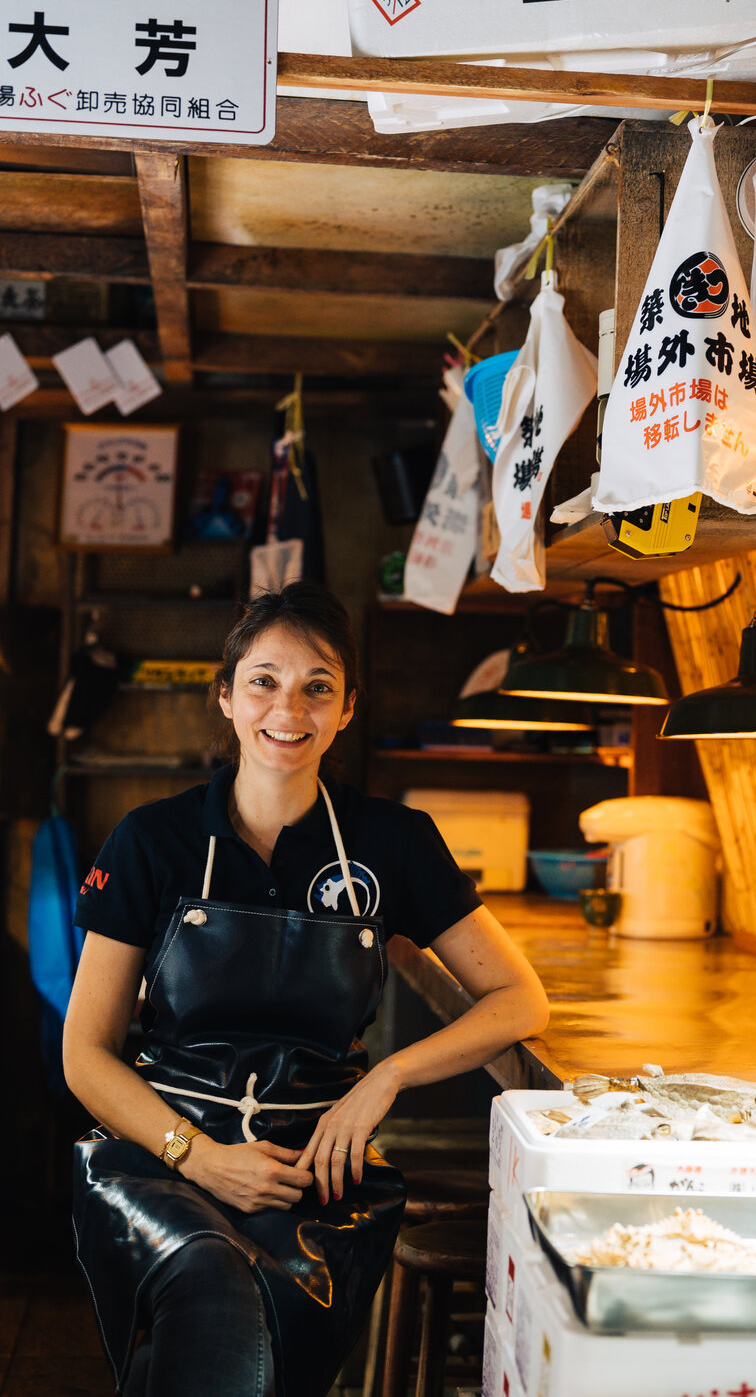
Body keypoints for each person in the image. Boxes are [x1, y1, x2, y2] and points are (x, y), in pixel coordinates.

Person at [64, 582, 549, 1397]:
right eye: (263, 680)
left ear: (347, 707)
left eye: (317, 685)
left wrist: (386, 1077)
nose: (288, 707)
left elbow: (519, 999)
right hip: (161, 1156)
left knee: (235, 1333)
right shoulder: (153, 839)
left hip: (317, 1170)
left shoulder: (393, 841)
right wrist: (204, 1158)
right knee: (209, 1276)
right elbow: (86, 1054)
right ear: (225, 696)